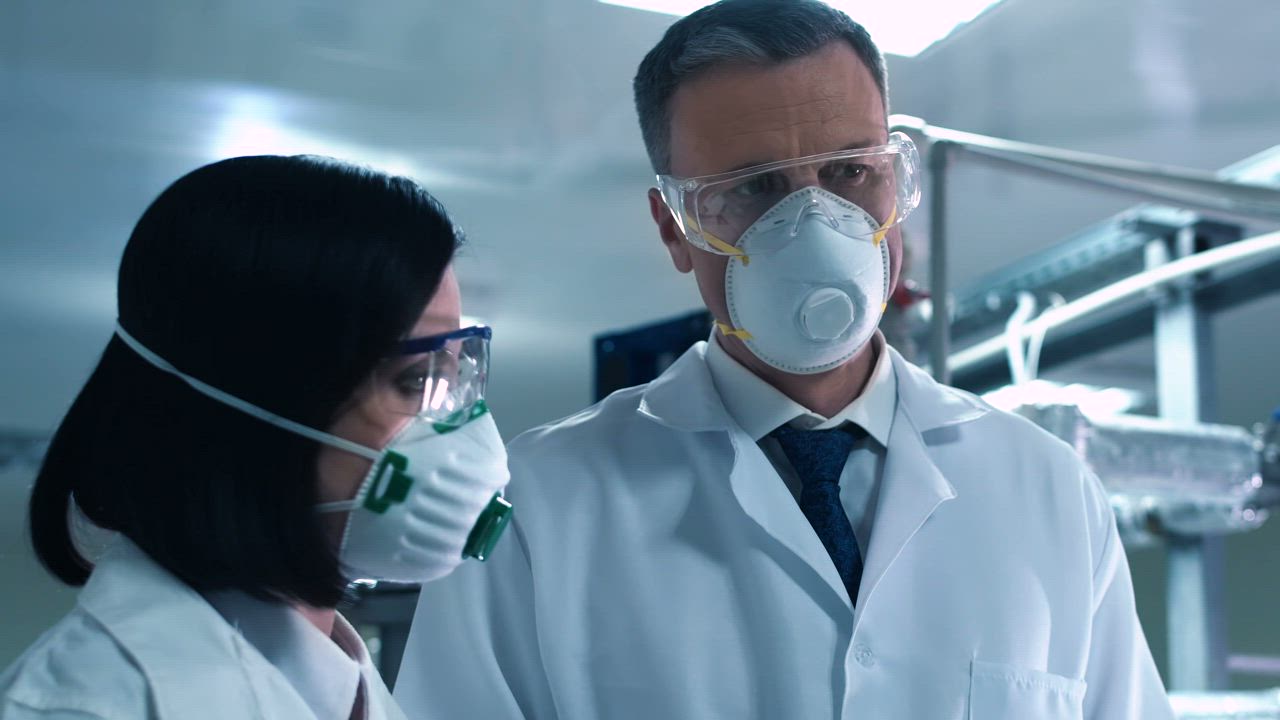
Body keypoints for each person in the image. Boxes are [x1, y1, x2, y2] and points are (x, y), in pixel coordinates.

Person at [394, 1, 1175, 718]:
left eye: (849, 173)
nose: (814, 225)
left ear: (892, 177)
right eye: (756, 186)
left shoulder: (1047, 490)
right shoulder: (538, 507)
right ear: (674, 228)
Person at [0, 155, 512, 720]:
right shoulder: (86, 707)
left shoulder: (339, 683)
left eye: (455, 373)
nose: (454, 428)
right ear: (256, 404)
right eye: (413, 379)